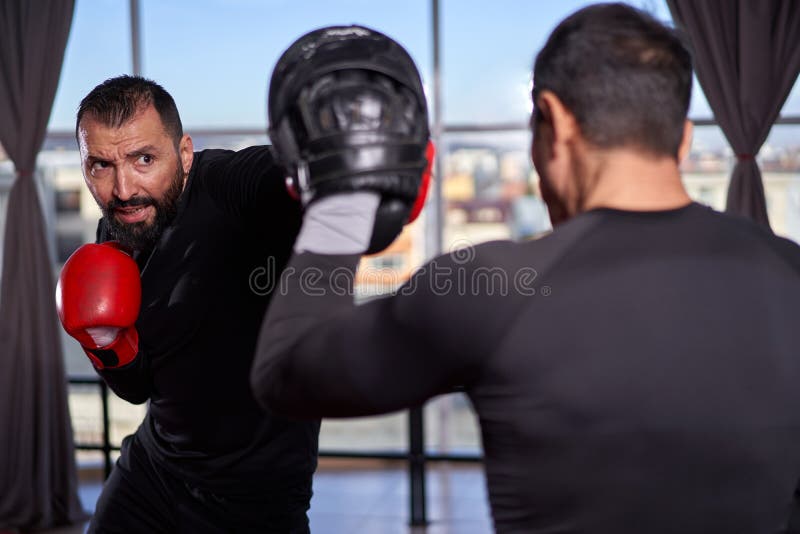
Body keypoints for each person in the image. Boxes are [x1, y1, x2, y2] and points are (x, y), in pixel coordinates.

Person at [250, 5, 800, 534]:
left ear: (555, 122)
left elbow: (285, 375)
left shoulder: (490, 286)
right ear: (682, 139)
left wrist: (346, 193)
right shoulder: (789, 272)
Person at [56, 75, 319, 533]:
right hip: (156, 468)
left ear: (183, 154)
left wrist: (334, 165)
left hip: (255, 493)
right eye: (100, 165)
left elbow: (274, 177)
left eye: (144, 159)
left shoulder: (225, 187)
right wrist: (105, 342)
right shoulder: (116, 233)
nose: (123, 189)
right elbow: (138, 387)